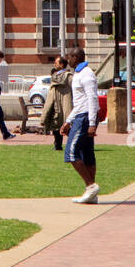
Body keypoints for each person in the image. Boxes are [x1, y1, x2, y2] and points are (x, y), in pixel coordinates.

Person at [60, 46, 100, 203]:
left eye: (69, 57)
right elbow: (79, 102)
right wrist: (68, 120)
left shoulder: (86, 74)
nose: (67, 60)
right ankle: (91, 194)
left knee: (71, 152)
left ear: (76, 58)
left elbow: (92, 98)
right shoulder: (78, 73)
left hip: (85, 118)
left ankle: (91, 186)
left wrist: (91, 122)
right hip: (80, 115)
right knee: (87, 153)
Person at [40, 56, 73, 151]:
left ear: (62, 65)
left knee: (62, 125)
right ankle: (58, 145)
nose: (54, 64)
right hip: (57, 105)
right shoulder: (56, 77)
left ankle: (69, 145)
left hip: (63, 105)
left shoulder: (69, 77)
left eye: (56, 63)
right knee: (56, 125)